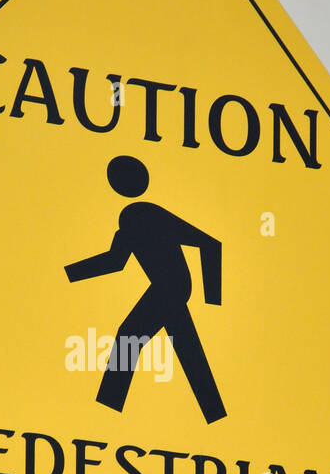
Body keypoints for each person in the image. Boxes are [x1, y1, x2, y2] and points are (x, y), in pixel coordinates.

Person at [65, 155, 226, 423]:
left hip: (172, 287)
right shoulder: (129, 224)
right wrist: (71, 273)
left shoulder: (151, 215)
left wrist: (213, 299)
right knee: (186, 346)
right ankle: (214, 412)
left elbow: (210, 244)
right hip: (165, 288)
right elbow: (115, 262)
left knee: (129, 335)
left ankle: (108, 406)